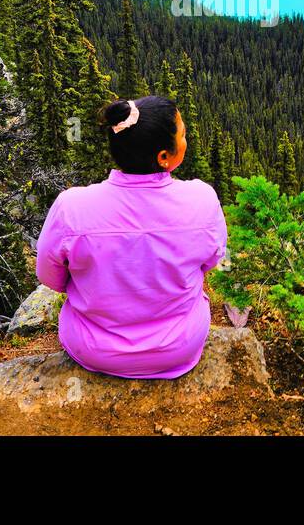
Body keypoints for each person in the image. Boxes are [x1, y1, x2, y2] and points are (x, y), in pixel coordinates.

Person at [35, 95, 228, 379]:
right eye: (183, 134)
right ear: (164, 156)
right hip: (177, 347)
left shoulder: (71, 207)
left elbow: (50, 277)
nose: (187, 139)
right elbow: (211, 262)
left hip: (93, 349)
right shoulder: (202, 200)